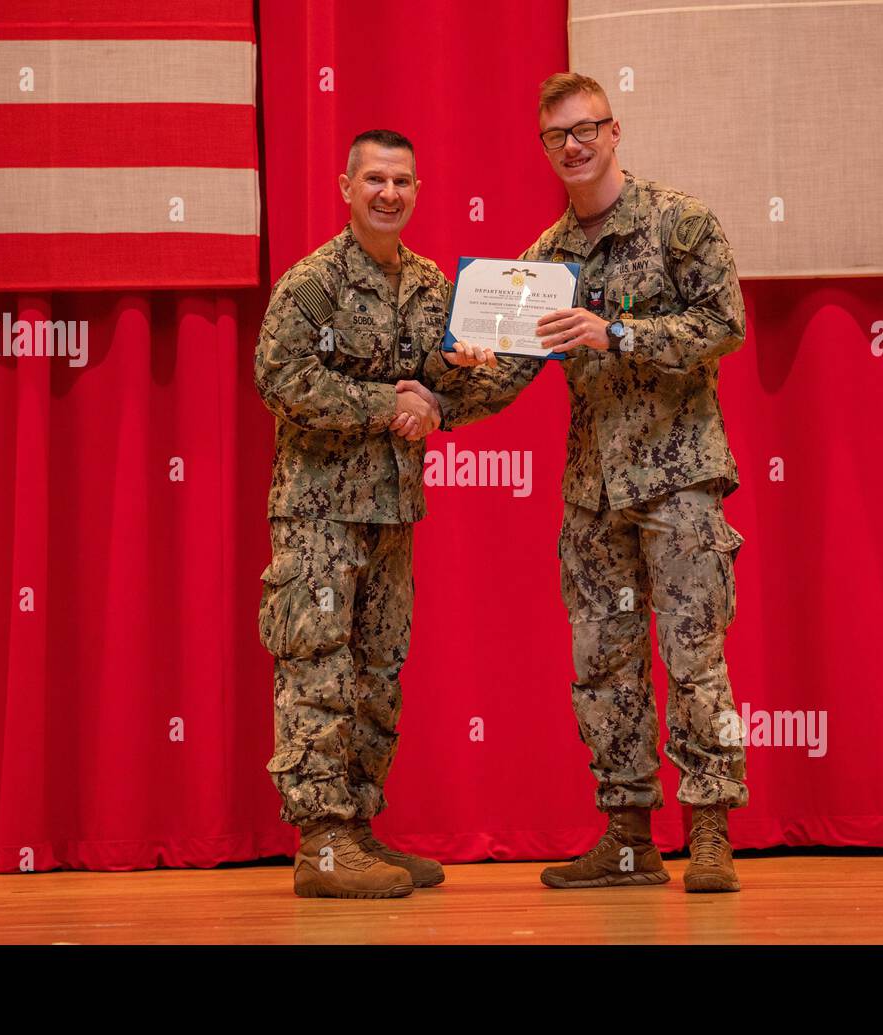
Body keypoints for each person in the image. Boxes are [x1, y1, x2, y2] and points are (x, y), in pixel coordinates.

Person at [436, 73, 749, 892]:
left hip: (678, 479)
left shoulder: (680, 222)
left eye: (587, 129)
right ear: (544, 148)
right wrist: (449, 385)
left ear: (616, 132)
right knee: (604, 665)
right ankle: (628, 838)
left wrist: (618, 333)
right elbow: (506, 374)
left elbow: (723, 325)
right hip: (593, 491)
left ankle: (710, 831)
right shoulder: (544, 259)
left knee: (694, 659)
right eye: (557, 137)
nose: (573, 146)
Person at [254, 129, 482, 898]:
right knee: (318, 669)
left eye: (404, 181)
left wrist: (456, 383)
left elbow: (443, 383)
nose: (391, 193)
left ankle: (354, 829)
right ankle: (320, 845)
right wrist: (386, 405)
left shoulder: (427, 285)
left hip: (390, 513)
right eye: (376, 179)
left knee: (376, 677)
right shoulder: (314, 282)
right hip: (319, 513)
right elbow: (278, 374)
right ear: (345, 186)